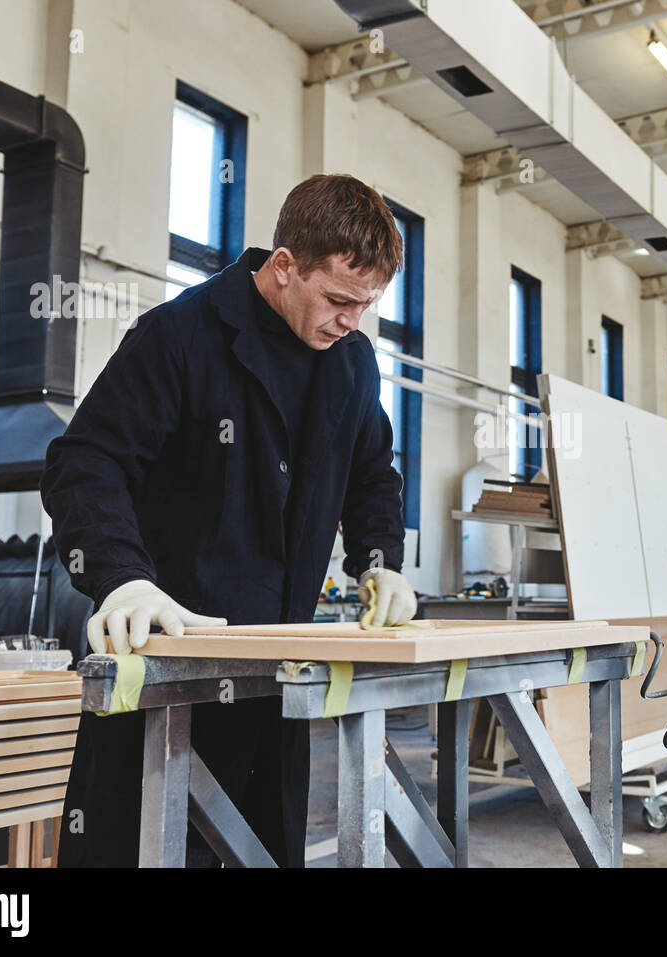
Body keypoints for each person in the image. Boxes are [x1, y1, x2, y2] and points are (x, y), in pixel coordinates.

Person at [41, 174, 417, 866]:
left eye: (366, 307)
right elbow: (85, 461)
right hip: (169, 677)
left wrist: (381, 562)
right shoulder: (181, 335)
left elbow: (372, 476)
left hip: (278, 685)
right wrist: (121, 576)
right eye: (338, 299)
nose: (350, 321)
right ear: (283, 266)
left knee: (263, 851)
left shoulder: (353, 364)